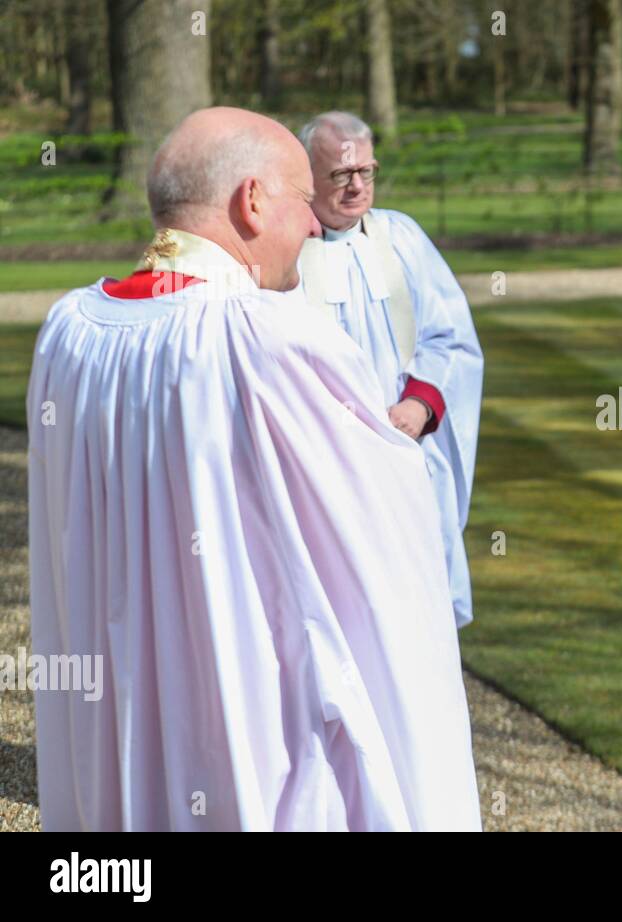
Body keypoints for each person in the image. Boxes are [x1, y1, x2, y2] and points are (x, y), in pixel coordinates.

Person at [27, 106, 480, 831]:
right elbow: (378, 556)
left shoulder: (69, 332)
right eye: (305, 200)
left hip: (122, 700)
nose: (311, 226)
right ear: (252, 201)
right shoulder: (270, 339)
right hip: (247, 722)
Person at [295, 111, 483, 629]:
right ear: (306, 173)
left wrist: (420, 404)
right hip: (323, 461)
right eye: (340, 175)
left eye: (367, 172)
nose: (357, 186)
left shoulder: (402, 238)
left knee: (415, 611)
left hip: (406, 455)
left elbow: (451, 337)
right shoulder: (285, 249)